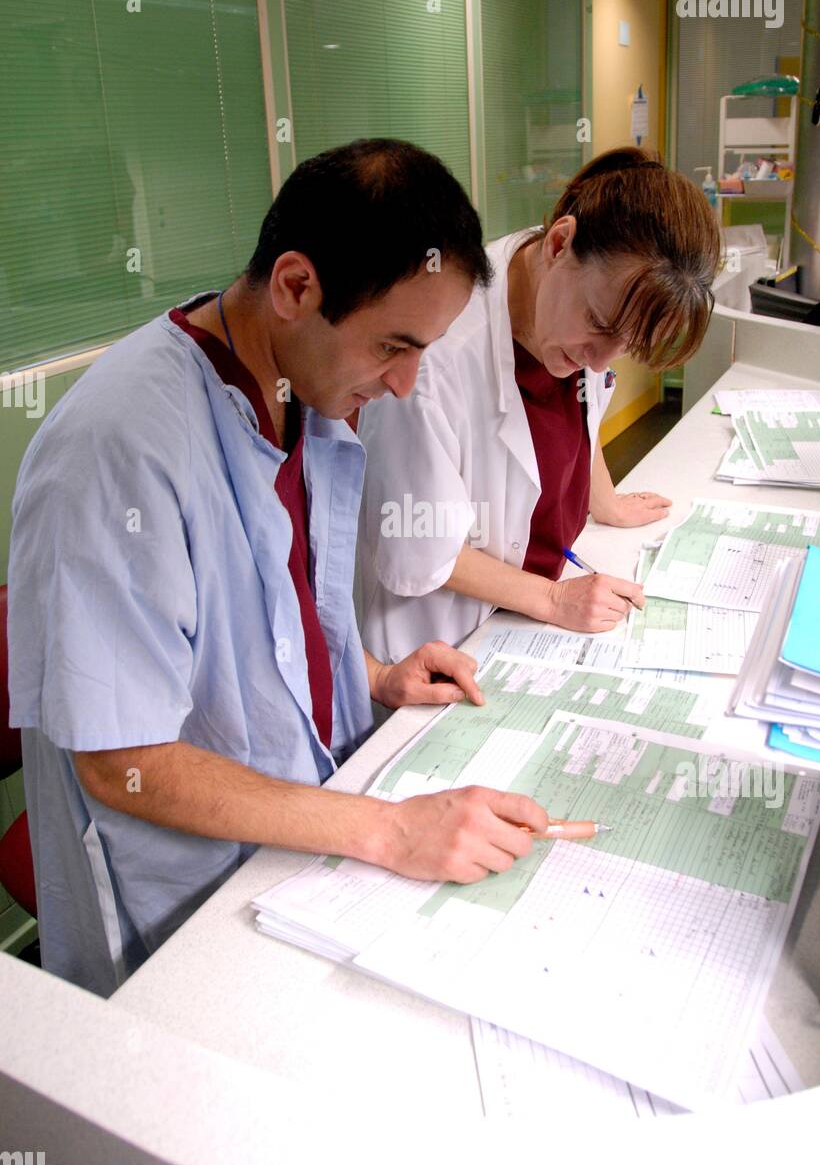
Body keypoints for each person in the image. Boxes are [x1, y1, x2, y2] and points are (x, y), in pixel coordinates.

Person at [7, 139, 548, 997]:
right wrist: (387, 830)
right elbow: (121, 760)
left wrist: (374, 676)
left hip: (306, 829)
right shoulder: (117, 451)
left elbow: (275, 608)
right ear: (296, 287)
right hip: (185, 906)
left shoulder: (306, 392)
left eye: (424, 354)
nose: (406, 385)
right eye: (394, 347)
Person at [356, 147, 721, 663]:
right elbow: (419, 546)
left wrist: (604, 500)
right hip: (445, 639)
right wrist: (552, 599)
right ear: (558, 243)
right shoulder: (435, 355)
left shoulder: (575, 302)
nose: (599, 363)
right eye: (599, 325)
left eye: (628, 345)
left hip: (531, 613)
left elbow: (584, 411)